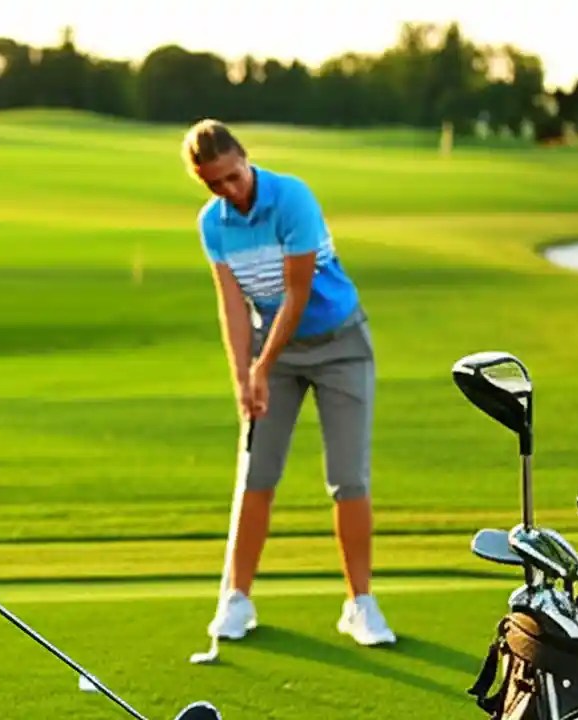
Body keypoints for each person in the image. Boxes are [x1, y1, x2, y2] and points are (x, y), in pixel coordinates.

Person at [183, 119, 396, 647]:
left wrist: (261, 365)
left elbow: (297, 295)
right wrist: (242, 376)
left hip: (340, 345)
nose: (228, 191)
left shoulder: (293, 198)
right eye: (213, 184)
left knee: (348, 478)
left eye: (232, 177)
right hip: (271, 355)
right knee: (257, 473)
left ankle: (360, 604)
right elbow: (232, 304)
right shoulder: (213, 224)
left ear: (245, 158)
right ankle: (238, 599)